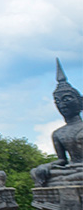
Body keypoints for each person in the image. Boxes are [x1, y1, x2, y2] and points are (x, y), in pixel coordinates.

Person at [31, 59, 83, 187]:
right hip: (72, 170)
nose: (62, 104)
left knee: (71, 177)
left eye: (67, 99)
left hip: (78, 171)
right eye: (58, 101)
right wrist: (47, 165)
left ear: (80, 101)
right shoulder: (58, 133)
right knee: (35, 172)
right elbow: (62, 160)